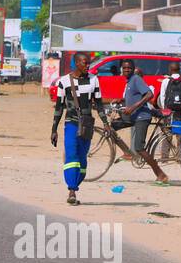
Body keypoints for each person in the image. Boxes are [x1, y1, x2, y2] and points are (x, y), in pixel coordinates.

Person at [51, 52, 104, 205]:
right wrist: (54, 129)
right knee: (71, 155)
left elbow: (99, 104)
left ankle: (76, 182)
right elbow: (59, 107)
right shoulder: (64, 81)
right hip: (71, 123)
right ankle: (72, 190)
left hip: (87, 124)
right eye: (84, 63)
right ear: (76, 63)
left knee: (82, 159)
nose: (87, 66)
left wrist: (106, 123)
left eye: (88, 63)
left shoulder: (94, 80)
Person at [111, 58, 170, 183]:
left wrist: (132, 107)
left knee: (139, 147)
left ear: (133, 69)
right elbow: (133, 96)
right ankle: (127, 152)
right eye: (124, 68)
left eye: (129, 68)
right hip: (133, 116)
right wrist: (121, 100)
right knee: (111, 127)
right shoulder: (129, 81)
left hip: (142, 117)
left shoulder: (136, 79)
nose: (126, 70)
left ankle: (161, 174)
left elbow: (149, 95)